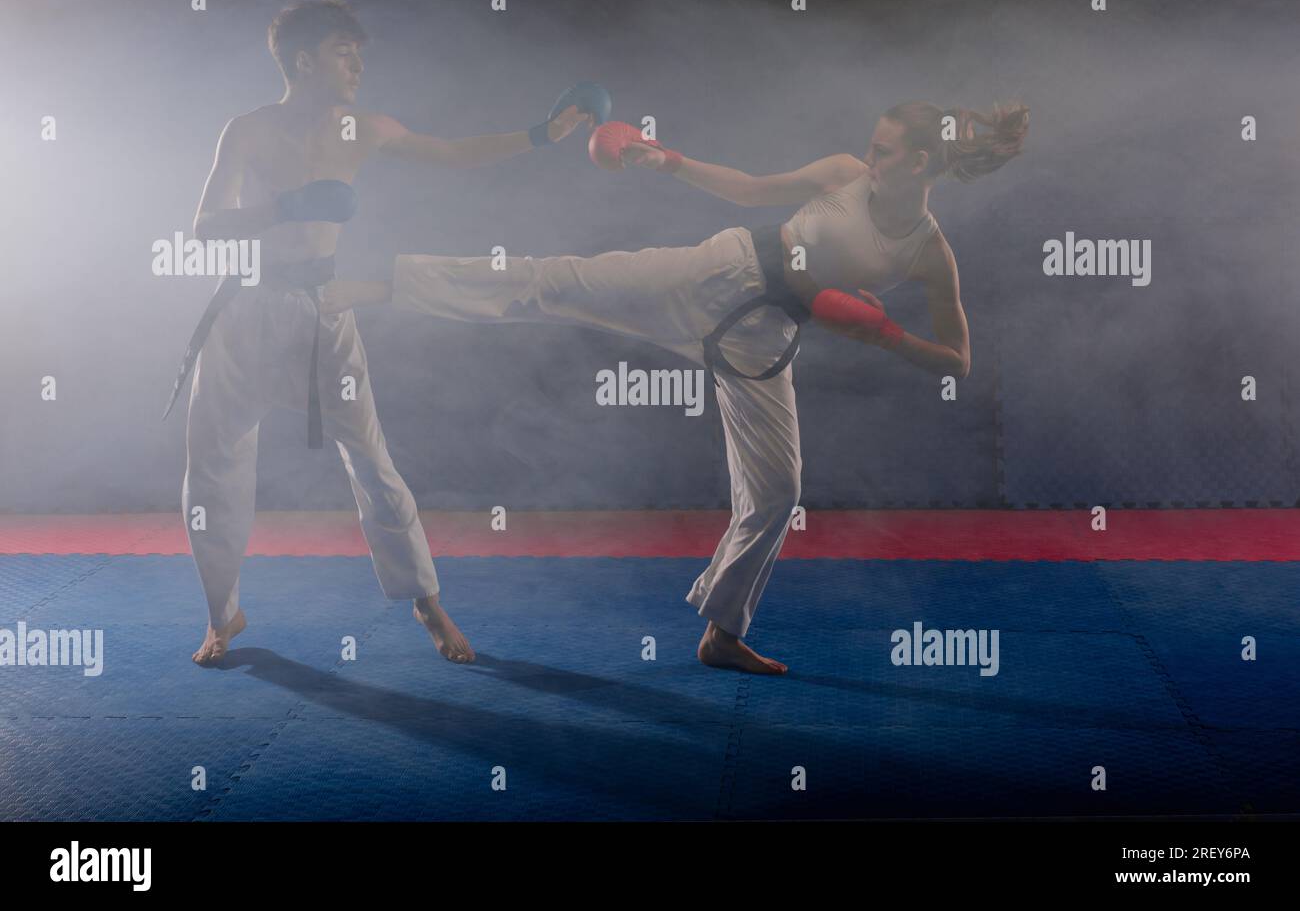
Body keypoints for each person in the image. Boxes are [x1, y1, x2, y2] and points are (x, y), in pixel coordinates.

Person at [319, 101, 1030, 674]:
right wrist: (671, 160)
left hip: (766, 334)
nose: (869, 156)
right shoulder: (844, 174)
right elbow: (752, 190)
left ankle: (723, 632)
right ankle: (385, 285)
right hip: (723, 272)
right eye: (871, 145)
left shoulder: (929, 252)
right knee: (557, 281)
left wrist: (887, 336)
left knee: (779, 493)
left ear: (918, 162)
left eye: (882, 150)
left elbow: (958, 362)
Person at [172, 0, 604, 666]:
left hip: (324, 307)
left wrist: (543, 134)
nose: (358, 66)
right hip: (246, 313)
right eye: (346, 54)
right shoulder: (248, 131)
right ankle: (221, 615)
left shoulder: (362, 129)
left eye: (361, 54)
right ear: (304, 60)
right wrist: (282, 208)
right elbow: (202, 226)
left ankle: (426, 602)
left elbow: (456, 153)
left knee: (373, 463)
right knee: (212, 467)